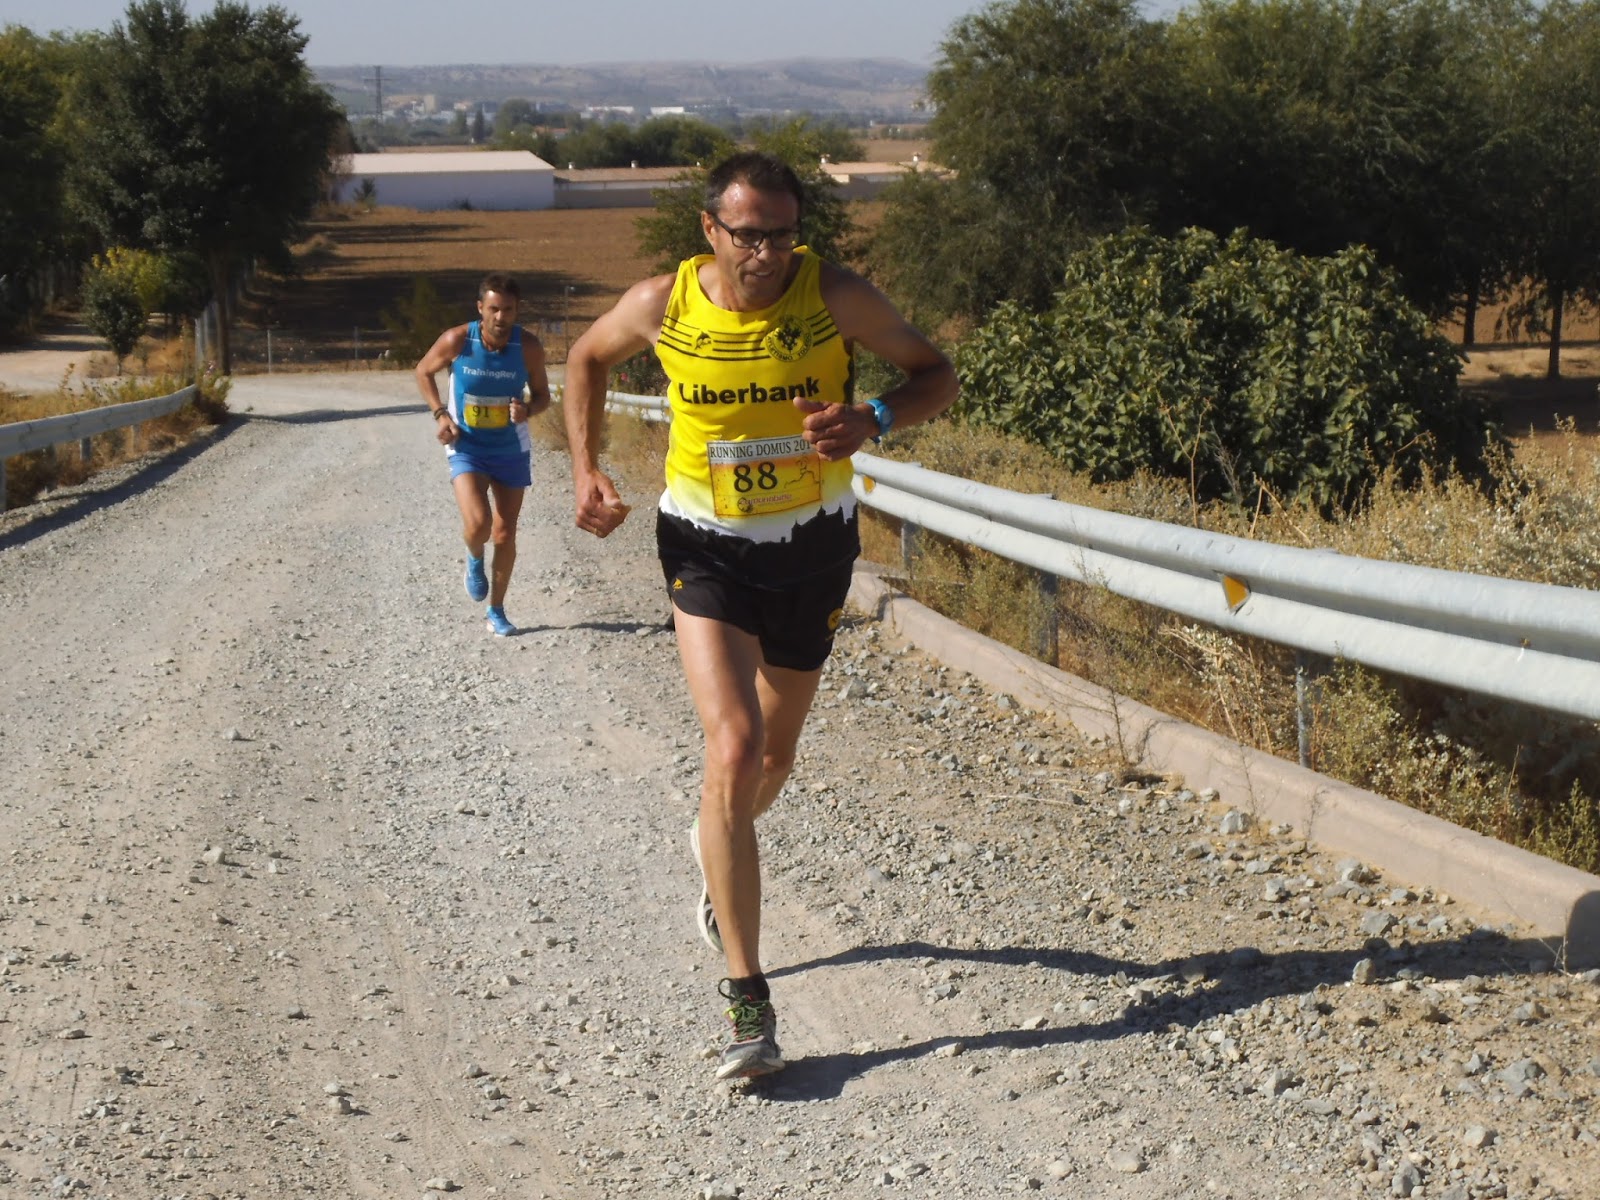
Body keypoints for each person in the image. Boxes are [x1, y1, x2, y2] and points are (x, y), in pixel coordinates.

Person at [563, 152, 958, 1080]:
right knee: (734, 747)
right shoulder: (666, 303)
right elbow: (585, 357)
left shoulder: (835, 295)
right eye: (749, 234)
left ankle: (716, 845)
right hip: (704, 544)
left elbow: (935, 374)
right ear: (711, 229)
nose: (768, 252)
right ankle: (749, 1001)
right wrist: (585, 470)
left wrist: (874, 419)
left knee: (774, 758)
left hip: (813, 545)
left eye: (782, 233)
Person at [415, 272, 551, 636]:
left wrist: (527, 410)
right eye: (493, 309)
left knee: (505, 534)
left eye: (508, 309)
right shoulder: (458, 340)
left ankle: (497, 610)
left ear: (517, 310)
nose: (500, 317)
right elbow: (423, 371)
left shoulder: (529, 347)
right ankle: (474, 557)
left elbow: (542, 397)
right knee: (479, 524)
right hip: (467, 447)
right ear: (480, 309)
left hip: (510, 449)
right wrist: (441, 413)